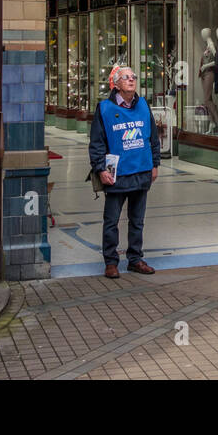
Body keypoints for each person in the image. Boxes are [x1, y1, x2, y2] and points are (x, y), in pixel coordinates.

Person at [88, 64, 159, 279]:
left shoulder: (144, 105)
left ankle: (135, 259)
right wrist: (100, 169)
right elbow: (97, 143)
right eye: (126, 77)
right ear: (116, 84)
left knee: (137, 220)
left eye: (133, 77)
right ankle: (111, 262)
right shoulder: (105, 109)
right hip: (116, 175)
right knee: (112, 221)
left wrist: (155, 164)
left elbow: (153, 138)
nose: (131, 80)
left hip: (142, 171)